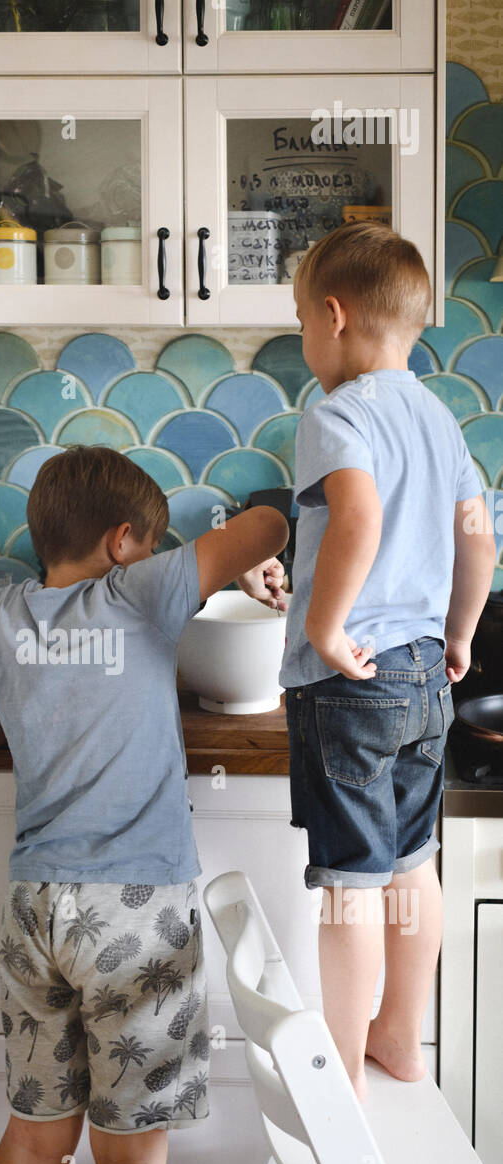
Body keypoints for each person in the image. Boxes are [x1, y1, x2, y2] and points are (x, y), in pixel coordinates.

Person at [0, 444, 289, 1164]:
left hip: (36, 908)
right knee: (131, 1160)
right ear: (126, 540)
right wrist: (247, 562)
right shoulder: (142, 590)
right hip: (139, 914)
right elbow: (270, 523)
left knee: (31, 1139)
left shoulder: (1, 616)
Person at [282, 221, 497, 1101]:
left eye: (300, 320)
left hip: (351, 680)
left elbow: (359, 519)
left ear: (333, 315)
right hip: (422, 674)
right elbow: (477, 535)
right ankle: (401, 1038)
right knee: (413, 865)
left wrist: (328, 629)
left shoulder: (335, 414)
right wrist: (461, 633)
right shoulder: (440, 417)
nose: (303, 338)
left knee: (350, 883)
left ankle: (340, 1069)